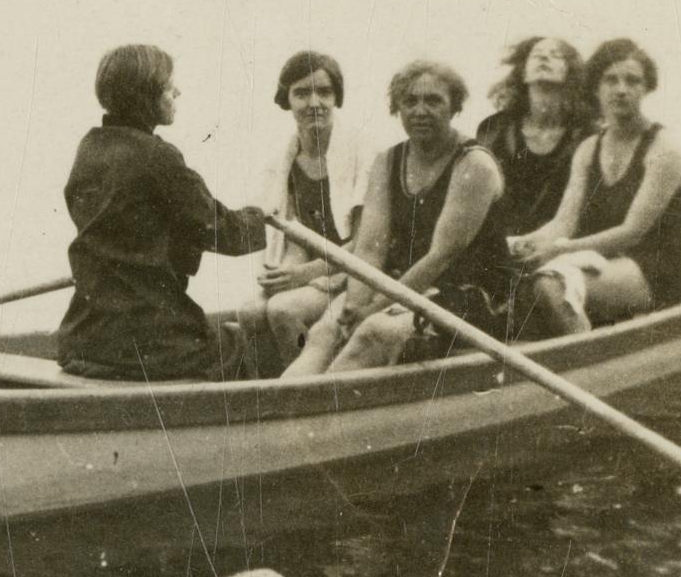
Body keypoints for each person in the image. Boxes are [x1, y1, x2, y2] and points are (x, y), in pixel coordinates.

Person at [281, 60, 508, 374]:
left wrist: (373, 309)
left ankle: (320, 414)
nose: (420, 110)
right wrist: (355, 305)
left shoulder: (474, 164)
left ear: (454, 107)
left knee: (374, 333)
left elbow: (440, 257)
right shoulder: (387, 162)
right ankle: (286, 410)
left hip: (473, 294)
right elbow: (371, 249)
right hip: (408, 284)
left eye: (433, 101)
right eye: (409, 101)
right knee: (325, 331)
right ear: (396, 108)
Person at [57, 44, 268, 381]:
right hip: (145, 338)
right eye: (171, 87)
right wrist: (261, 217)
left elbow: (133, 224)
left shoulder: (90, 148)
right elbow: (223, 231)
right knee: (239, 344)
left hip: (84, 335)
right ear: (146, 94)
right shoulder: (158, 157)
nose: (178, 92)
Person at [510, 38, 681, 335]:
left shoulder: (665, 152)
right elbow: (564, 222)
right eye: (610, 80)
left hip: (662, 267)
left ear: (647, 88)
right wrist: (520, 243)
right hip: (612, 260)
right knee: (512, 275)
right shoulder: (588, 148)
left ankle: (587, 363)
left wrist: (557, 251)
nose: (621, 89)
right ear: (596, 88)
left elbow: (631, 232)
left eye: (633, 81)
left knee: (551, 285)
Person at [235, 51, 366, 368]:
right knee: (250, 312)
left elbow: (365, 246)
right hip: (316, 273)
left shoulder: (363, 152)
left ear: (337, 97)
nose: (314, 103)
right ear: (286, 100)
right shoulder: (285, 164)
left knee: (284, 310)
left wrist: (303, 276)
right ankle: (265, 395)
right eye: (302, 93)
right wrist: (286, 275)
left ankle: (308, 395)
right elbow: (295, 244)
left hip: (355, 274)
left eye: (324, 92)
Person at [475, 36, 592, 238]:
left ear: (570, 73)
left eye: (556, 55)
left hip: (560, 241)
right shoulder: (495, 128)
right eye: (536, 55)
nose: (544, 57)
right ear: (523, 71)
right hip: (496, 244)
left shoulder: (586, 134)